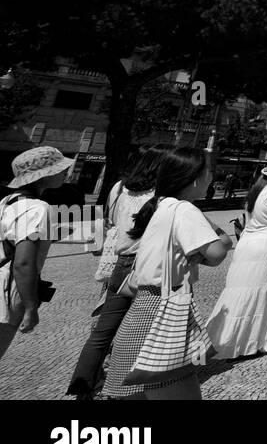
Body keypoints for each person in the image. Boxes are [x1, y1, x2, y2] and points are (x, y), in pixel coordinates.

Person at [100, 147, 231, 400]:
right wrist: (197, 253)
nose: (212, 177)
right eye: (209, 171)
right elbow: (217, 252)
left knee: (141, 392)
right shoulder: (184, 210)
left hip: (144, 307)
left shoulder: (160, 204)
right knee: (174, 387)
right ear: (195, 178)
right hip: (166, 311)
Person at [66, 145, 164, 397]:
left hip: (118, 263)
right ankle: (124, 384)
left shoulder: (118, 187)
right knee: (138, 328)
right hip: (146, 264)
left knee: (102, 329)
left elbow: (108, 220)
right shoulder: (160, 195)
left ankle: (84, 385)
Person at [205, 156, 267, 360]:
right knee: (259, 292)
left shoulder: (255, 190)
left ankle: (222, 337)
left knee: (236, 290)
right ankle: (247, 343)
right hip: (265, 242)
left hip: (246, 242)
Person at [1, 146, 74, 364]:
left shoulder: (7, 201)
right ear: (44, 175)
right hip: (6, 291)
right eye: (60, 169)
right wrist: (31, 307)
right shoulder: (38, 208)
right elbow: (23, 262)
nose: (65, 173)